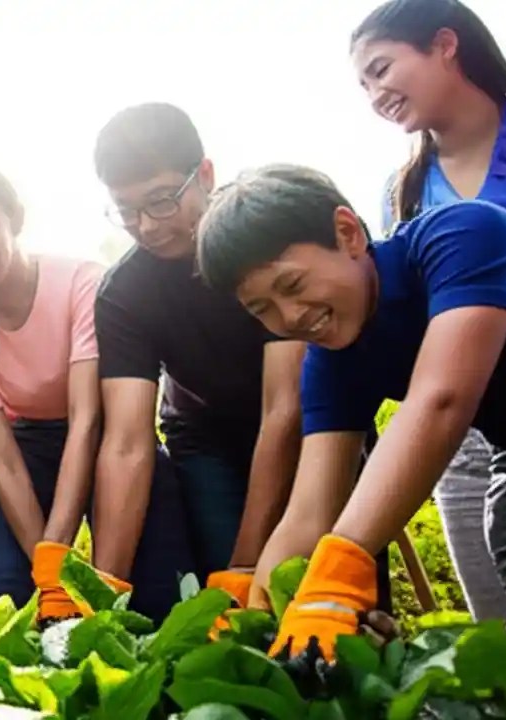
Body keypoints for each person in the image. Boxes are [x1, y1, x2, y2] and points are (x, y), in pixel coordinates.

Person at [196, 163, 506, 659]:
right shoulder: (332, 360)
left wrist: (339, 570)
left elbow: (441, 401)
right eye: (262, 309)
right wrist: (254, 614)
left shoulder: (459, 236)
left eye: (293, 285)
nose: (290, 317)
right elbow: (308, 512)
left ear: (347, 233)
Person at [0, 164, 194, 624]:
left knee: (156, 601)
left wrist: (63, 557)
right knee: (9, 602)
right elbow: (5, 463)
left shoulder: (81, 283)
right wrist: (46, 570)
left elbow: (87, 419)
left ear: (16, 219)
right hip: (29, 452)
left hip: (114, 441)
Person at [89, 103, 306, 612]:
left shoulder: (268, 237)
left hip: (317, 427)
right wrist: (102, 595)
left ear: (204, 175)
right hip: (205, 441)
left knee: (322, 595)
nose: (145, 225)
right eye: (126, 210)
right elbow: (125, 444)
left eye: (161, 201)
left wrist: (248, 566)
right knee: (229, 609)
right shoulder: (125, 293)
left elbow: (285, 408)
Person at [351, 0, 506, 623]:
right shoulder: (405, 193)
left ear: (445, 44)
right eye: (364, 85)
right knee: (493, 641)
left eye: (382, 68)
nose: (375, 94)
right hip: (465, 439)